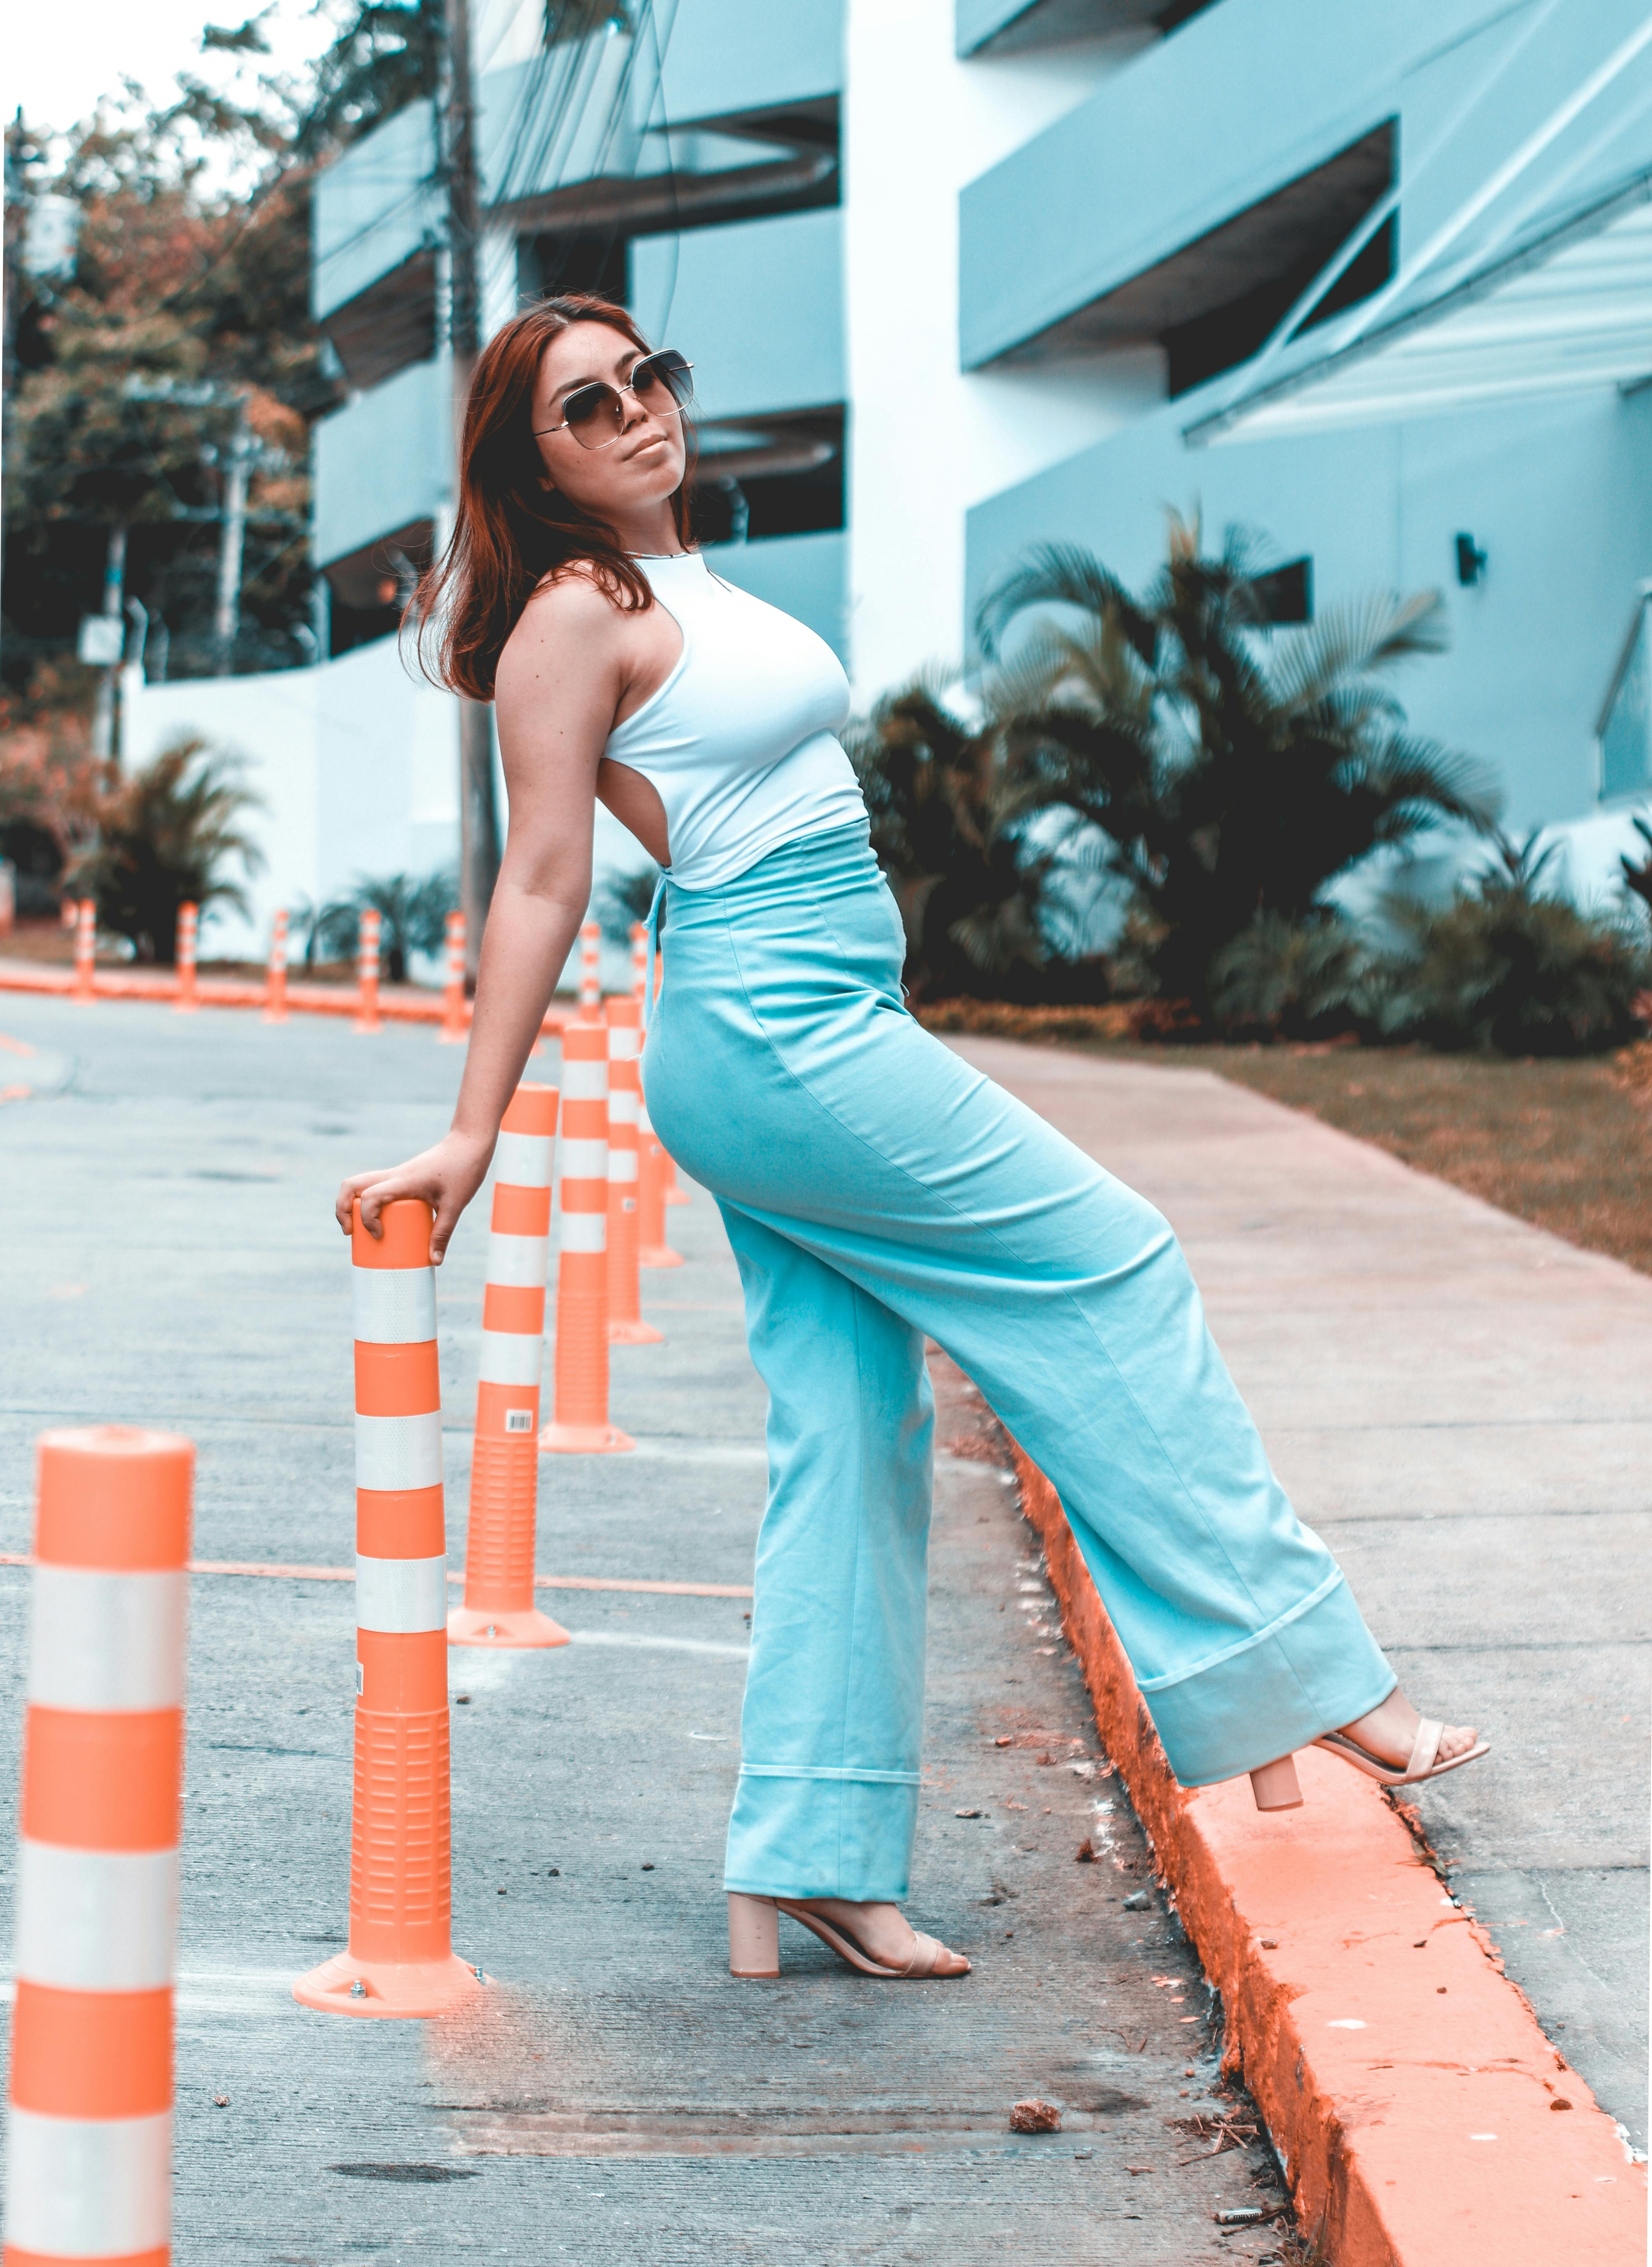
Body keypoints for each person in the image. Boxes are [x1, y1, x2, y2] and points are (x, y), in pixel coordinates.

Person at [336, 292, 1486, 1985]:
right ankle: (1306, 1681)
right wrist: (468, 1135)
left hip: (817, 1022)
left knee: (852, 1431)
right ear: (536, 460)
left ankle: (806, 1857)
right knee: (1110, 1258)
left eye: (652, 373)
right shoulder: (570, 617)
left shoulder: (678, 587)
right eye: (591, 406)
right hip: (769, 1031)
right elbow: (543, 878)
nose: (641, 411)